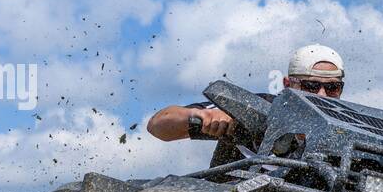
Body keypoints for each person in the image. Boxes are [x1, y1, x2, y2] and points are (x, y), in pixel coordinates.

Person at [146, 44, 346, 141]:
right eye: (310, 86)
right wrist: (204, 116)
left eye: (332, 88)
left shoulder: (345, 131)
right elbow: (157, 125)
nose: (321, 95)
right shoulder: (254, 109)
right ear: (287, 85)